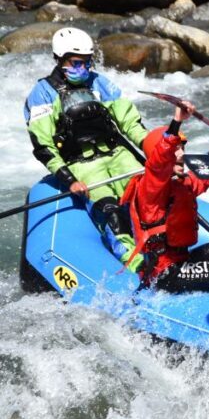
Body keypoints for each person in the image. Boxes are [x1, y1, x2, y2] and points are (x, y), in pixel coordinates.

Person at [24, 27, 147, 270]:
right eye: (78, 63)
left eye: (88, 62)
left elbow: (130, 123)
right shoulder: (42, 94)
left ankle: (167, 253)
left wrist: (154, 149)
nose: (85, 69)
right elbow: (44, 147)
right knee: (111, 212)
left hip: (119, 154)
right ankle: (137, 266)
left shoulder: (100, 83)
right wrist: (69, 179)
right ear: (60, 60)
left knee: (151, 199)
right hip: (82, 165)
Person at [120, 102, 209, 292]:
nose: (182, 154)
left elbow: (204, 176)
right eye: (176, 149)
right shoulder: (150, 188)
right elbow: (159, 161)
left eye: (182, 147)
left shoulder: (182, 184)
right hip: (164, 273)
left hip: (183, 260)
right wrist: (176, 121)